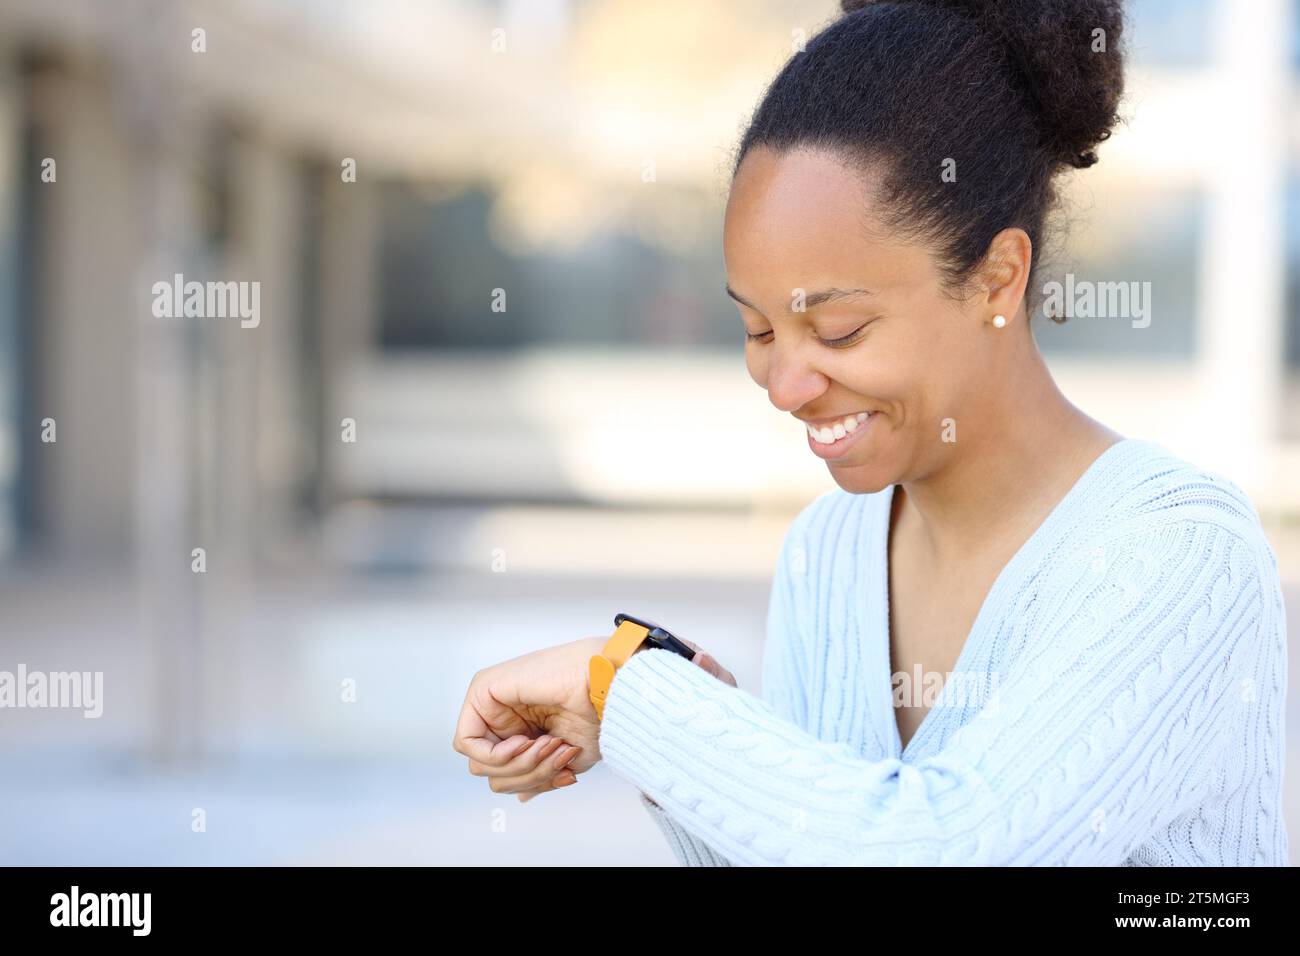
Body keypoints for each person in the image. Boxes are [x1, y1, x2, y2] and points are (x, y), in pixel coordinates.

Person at [451, 0, 1289, 865]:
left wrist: (633, 692)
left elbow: (948, 850)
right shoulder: (832, 548)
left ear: (998, 279)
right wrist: (680, 743)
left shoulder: (1180, 554)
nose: (785, 385)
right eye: (760, 331)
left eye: (840, 330)